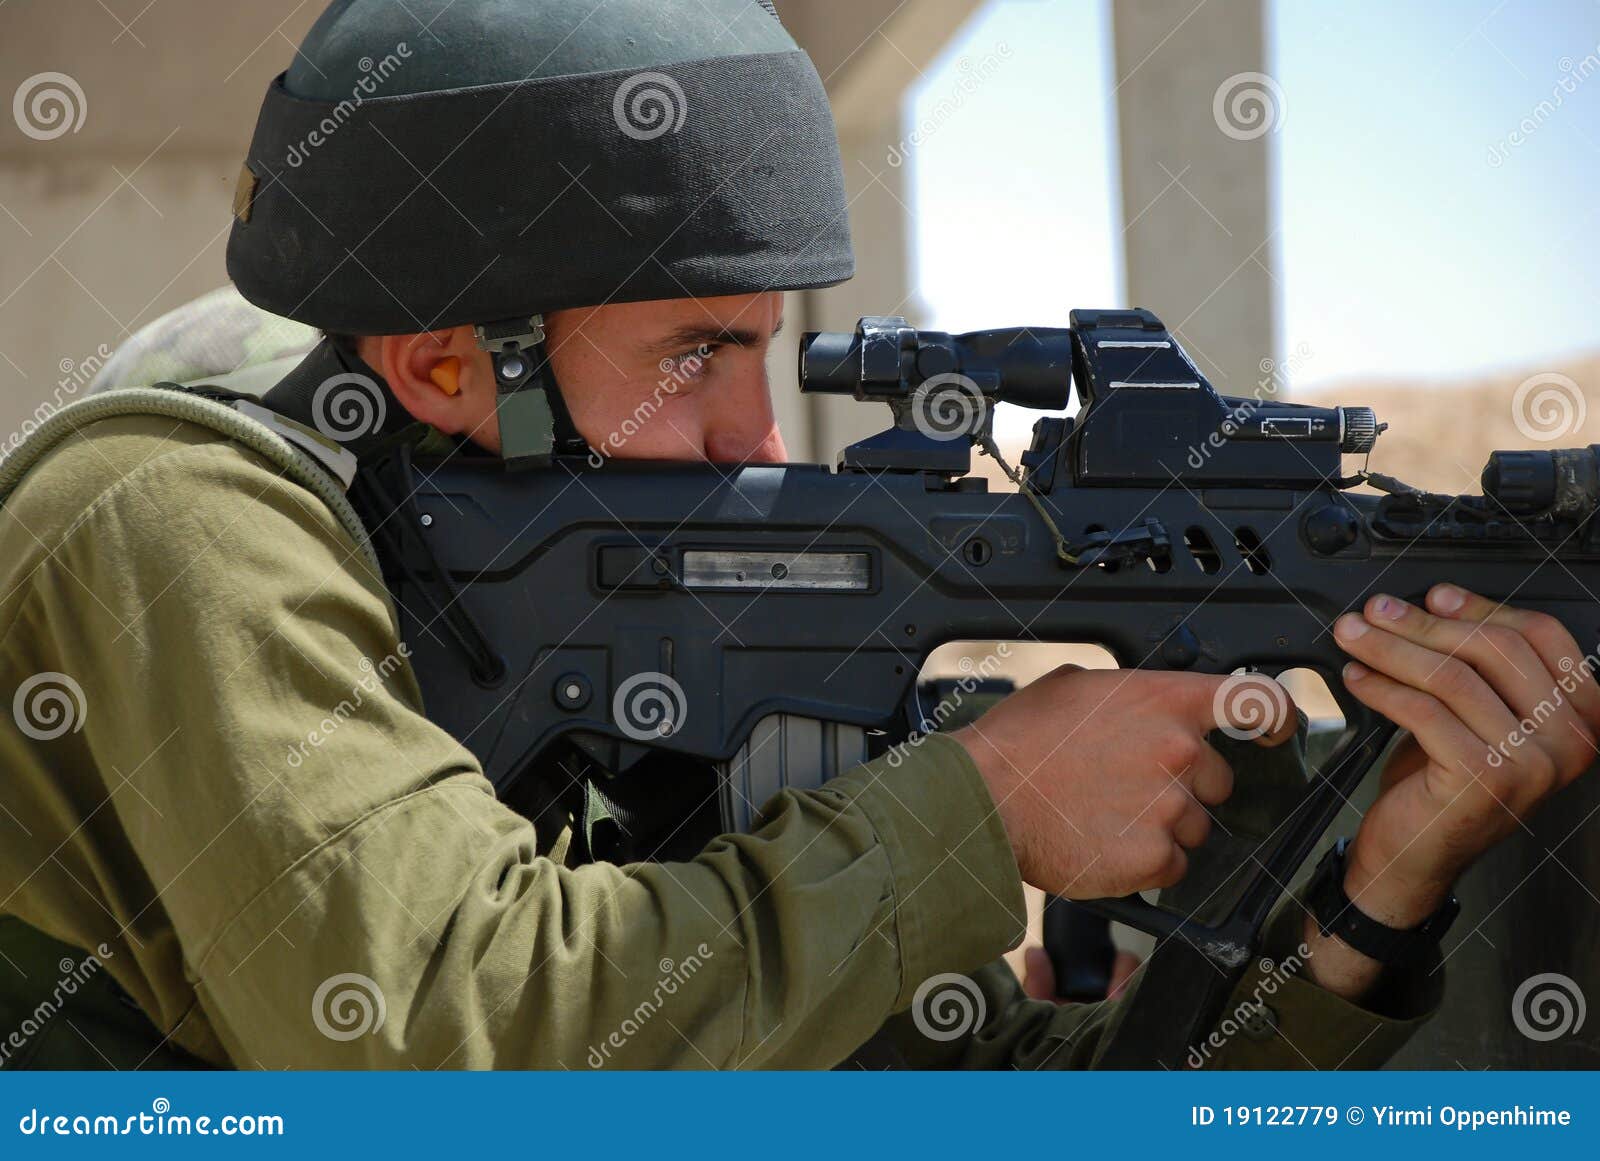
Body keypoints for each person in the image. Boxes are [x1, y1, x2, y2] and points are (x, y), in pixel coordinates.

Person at [1, 0, 1594, 1070]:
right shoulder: (168, 518)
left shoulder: (656, 658)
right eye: (697, 353)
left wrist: (1377, 895)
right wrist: (985, 806)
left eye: (764, 349)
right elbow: (444, 1045)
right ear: (437, 364)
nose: (762, 441)